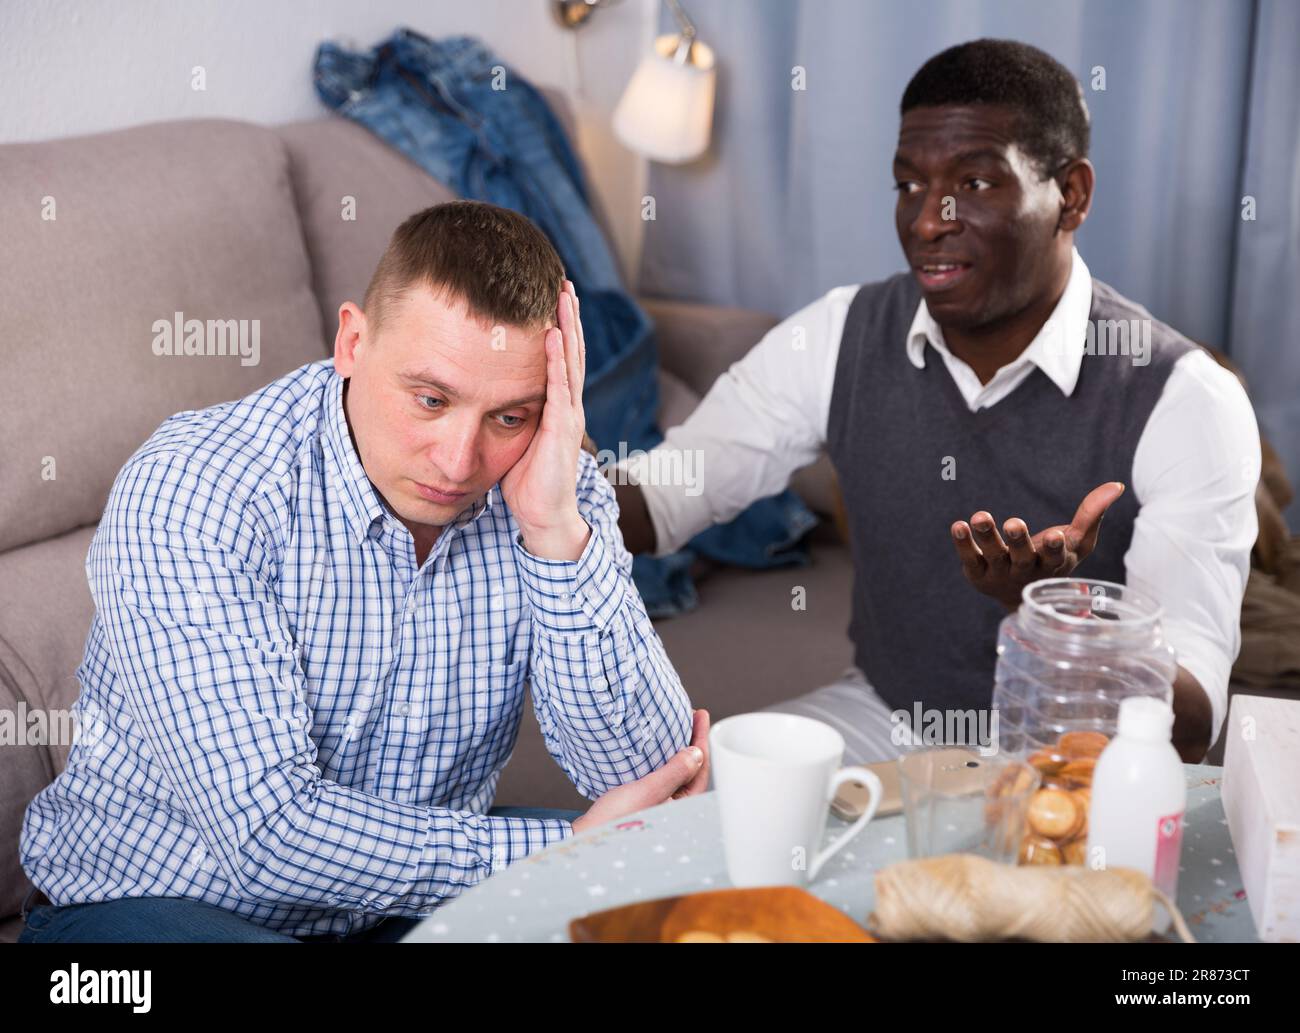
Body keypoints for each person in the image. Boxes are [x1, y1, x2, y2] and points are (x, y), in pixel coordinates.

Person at [19, 201, 709, 943]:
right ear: (352, 341)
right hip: (153, 909)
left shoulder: (552, 482)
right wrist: (561, 858)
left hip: (395, 907)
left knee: (681, 890)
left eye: (509, 416)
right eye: (430, 399)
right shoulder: (196, 488)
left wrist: (555, 530)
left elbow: (656, 777)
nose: (457, 460)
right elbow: (268, 834)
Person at [615, 39, 1259, 766]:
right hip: (885, 720)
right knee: (700, 801)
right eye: (909, 185)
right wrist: (545, 473)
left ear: (1070, 196)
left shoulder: (1187, 398)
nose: (926, 222)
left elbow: (1194, 722)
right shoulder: (839, 335)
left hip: (1091, 763)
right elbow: (669, 493)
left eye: (975, 184)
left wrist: (1058, 620)